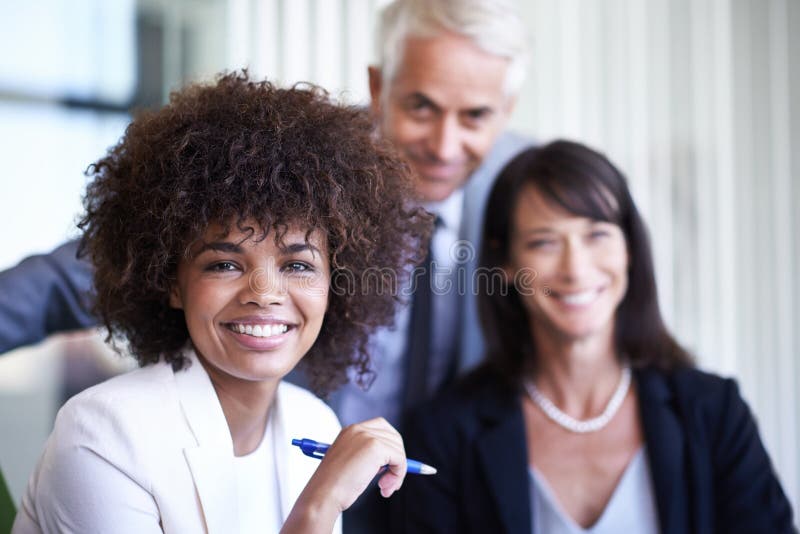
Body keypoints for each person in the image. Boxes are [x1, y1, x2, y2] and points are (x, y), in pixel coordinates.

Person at [12, 72, 432, 534]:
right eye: (224, 264)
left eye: (297, 266)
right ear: (173, 282)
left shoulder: (313, 420)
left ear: (339, 283)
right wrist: (320, 505)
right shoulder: (104, 435)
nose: (264, 291)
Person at [392, 140, 796, 533]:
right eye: (544, 242)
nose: (576, 269)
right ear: (506, 264)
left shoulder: (714, 413)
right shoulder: (445, 432)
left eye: (597, 235)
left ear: (629, 249)